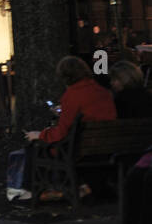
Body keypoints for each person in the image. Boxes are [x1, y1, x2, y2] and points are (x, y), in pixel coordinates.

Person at [8, 55, 118, 202]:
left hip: (79, 150)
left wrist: (40, 135)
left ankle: (32, 190)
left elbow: (61, 133)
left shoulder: (72, 95)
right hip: (106, 146)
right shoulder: (103, 92)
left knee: (34, 146)